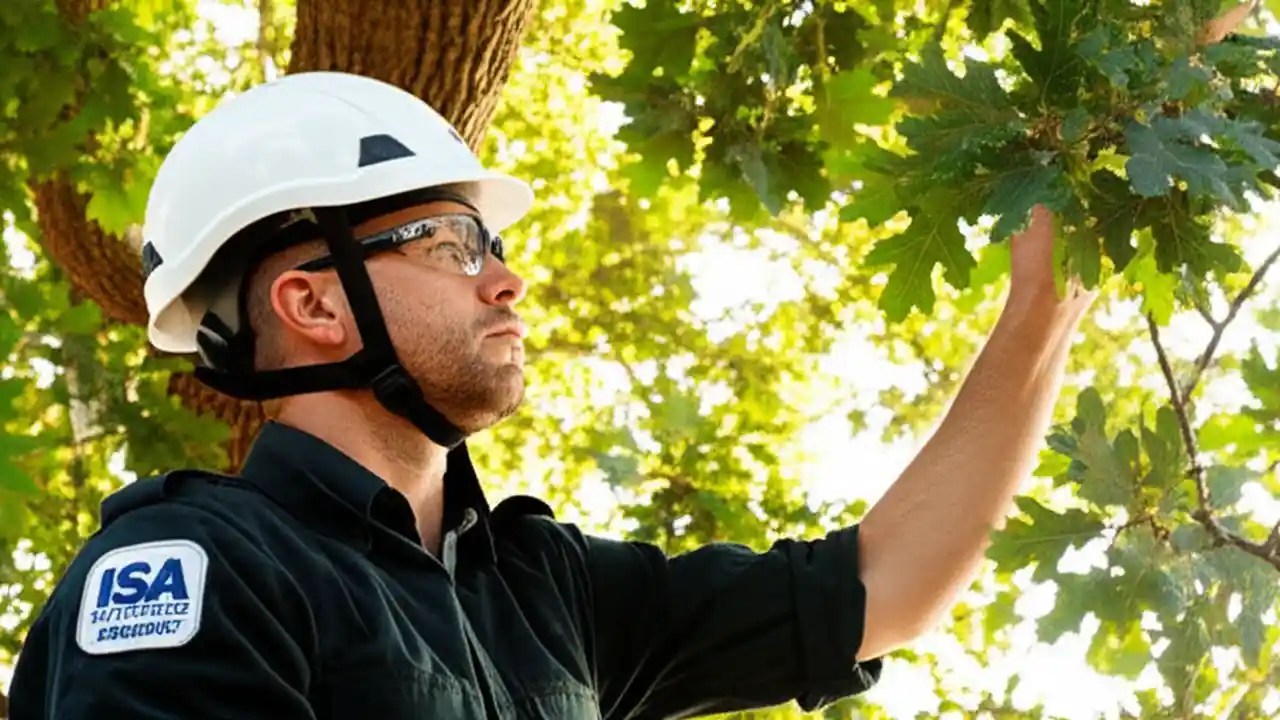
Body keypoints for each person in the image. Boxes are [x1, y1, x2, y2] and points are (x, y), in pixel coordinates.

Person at [7, 72, 1094, 719]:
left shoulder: (542, 588)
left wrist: (1044, 306)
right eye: (452, 243)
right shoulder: (190, 572)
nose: (506, 278)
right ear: (315, 303)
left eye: (492, 244)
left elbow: (880, 590)